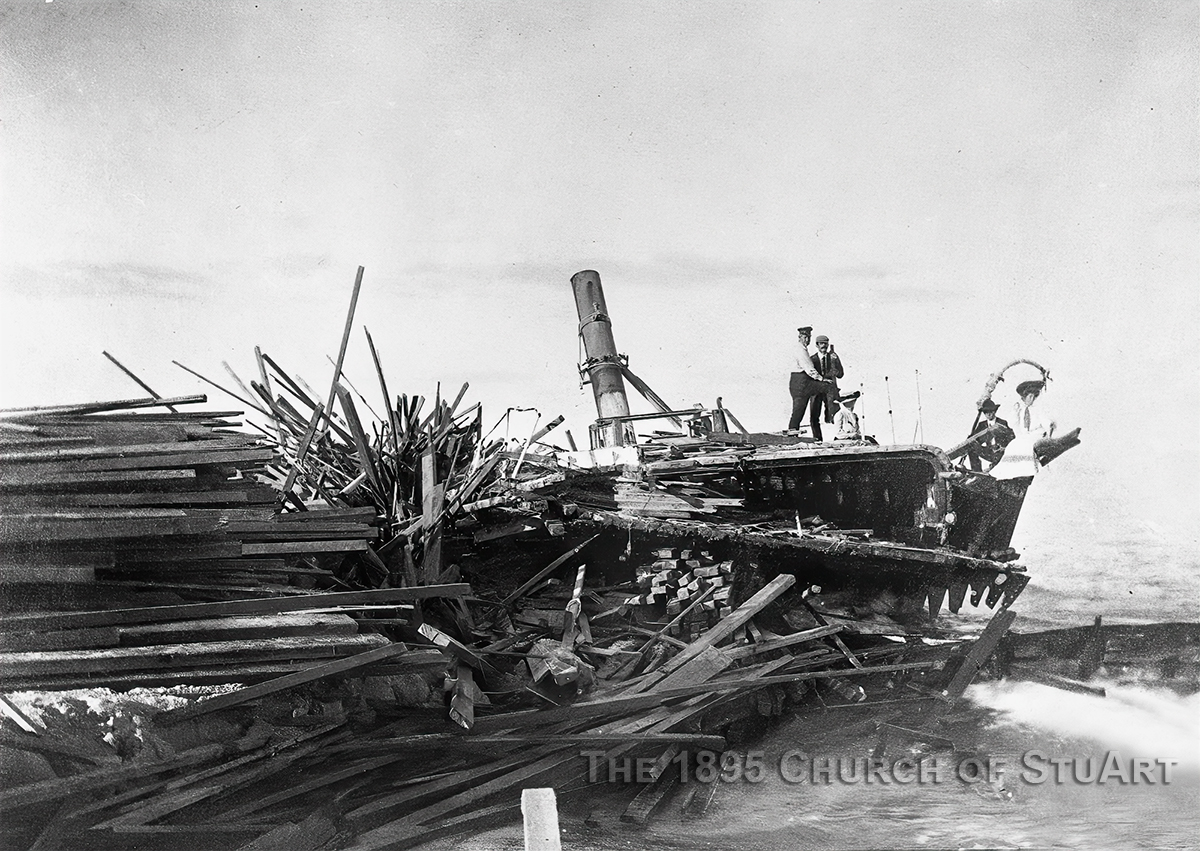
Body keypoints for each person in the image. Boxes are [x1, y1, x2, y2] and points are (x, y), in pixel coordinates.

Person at [1012, 380, 1081, 466]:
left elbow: (1043, 419)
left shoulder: (1037, 409)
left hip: (1036, 436)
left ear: (1031, 396)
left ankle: (1064, 440)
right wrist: (1015, 412)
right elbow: (1015, 424)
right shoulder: (1022, 410)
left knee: (1034, 446)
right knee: (1015, 446)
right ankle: (1064, 441)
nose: (1022, 400)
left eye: (1023, 397)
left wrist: (1049, 425)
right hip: (1026, 437)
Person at [788, 326, 833, 434]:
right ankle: (830, 415)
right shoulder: (800, 350)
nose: (807, 340)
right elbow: (809, 369)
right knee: (827, 387)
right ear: (800, 337)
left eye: (809, 337)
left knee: (798, 410)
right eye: (805, 337)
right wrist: (822, 379)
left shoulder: (801, 349)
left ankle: (792, 431)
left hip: (797, 383)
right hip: (801, 382)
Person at [809, 335, 845, 436]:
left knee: (833, 415)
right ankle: (817, 439)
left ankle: (836, 438)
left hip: (830, 391)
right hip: (816, 391)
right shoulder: (812, 359)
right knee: (814, 417)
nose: (824, 346)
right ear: (817, 345)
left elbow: (841, 374)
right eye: (821, 343)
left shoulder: (833, 357)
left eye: (825, 343)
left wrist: (836, 362)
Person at [966, 398, 1015, 471]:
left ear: (994, 411)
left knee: (995, 470)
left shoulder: (1002, 422)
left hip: (1000, 452)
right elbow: (975, 438)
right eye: (986, 412)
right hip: (989, 451)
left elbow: (1012, 437)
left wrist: (1004, 447)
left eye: (990, 411)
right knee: (971, 449)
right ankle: (977, 472)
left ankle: (995, 468)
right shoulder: (981, 425)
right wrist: (970, 439)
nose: (988, 414)